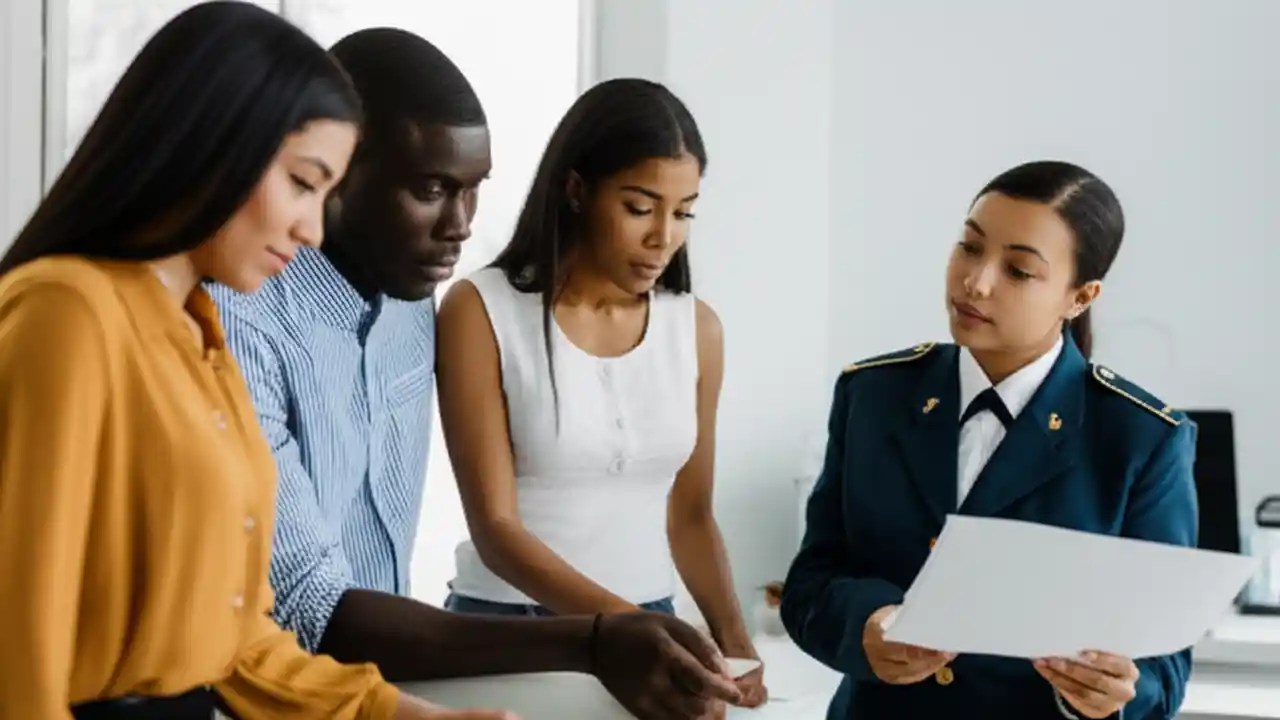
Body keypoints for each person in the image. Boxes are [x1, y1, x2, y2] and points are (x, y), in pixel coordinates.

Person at [211, 28, 743, 720]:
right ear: (336, 169)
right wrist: (598, 637)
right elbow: (315, 608)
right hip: (285, 697)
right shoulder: (244, 322)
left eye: (472, 192)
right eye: (432, 190)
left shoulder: (410, 302)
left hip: (389, 687)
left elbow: (692, 511)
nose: (459, 227)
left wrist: (719, 639)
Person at [0, 3, 511, 719]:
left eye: (326, 193)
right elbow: (16, 645)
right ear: (214, 148)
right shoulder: (69, 314)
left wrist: (411, 716)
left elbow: (234, 638)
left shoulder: (201, 337)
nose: (310, 228)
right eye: (303, 184)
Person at [780, 160, 1198, 719]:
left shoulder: (1142, 437)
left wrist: (1114, 694)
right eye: (970, 248)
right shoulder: (873, 397)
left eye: (1019, 271)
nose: (975, 282)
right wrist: (866, 628)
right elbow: (811, 582)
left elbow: (1163, 668)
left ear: (1080, 296)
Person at [435, 77, 768, 708]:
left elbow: (691, 515)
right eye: (641, 207)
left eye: (685, 211)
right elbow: (497, 528)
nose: (664, 236)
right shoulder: (482, 310)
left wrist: (730, 642)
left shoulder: (697, 329)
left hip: (652, 624)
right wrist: (637, 632)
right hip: (508, 632)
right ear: (577, 189)